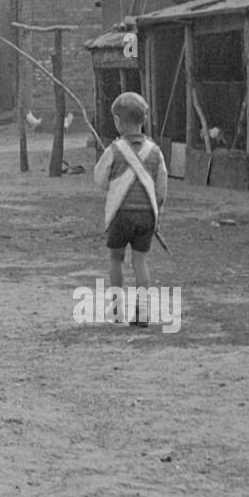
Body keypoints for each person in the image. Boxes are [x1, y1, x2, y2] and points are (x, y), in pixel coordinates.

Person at [92, 91, 167, 327]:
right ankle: (142, 314)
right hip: (146, 216)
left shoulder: (113, 151)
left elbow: (100, 180)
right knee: (140, 262)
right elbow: (162, 188)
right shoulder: (155, 152)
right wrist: (156, 211)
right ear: (143, 120)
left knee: (116, 259)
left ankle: (116, 312)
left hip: (120, 215)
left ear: (117, 121)